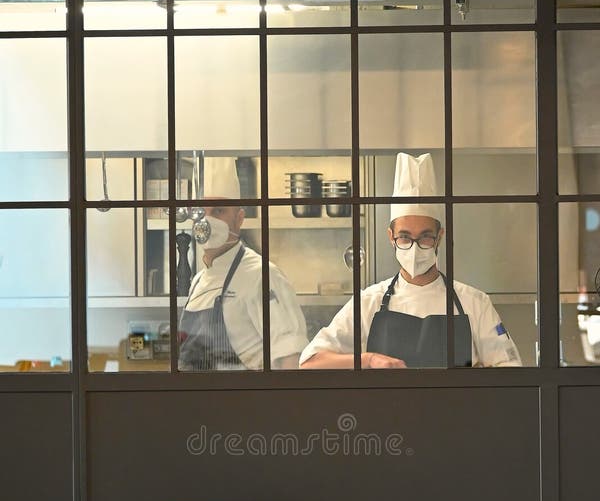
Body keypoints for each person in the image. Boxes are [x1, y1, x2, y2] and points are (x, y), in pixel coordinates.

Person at [299, 152, 522, 369]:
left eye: (425, 237)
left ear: (439, 237)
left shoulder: (474, 303)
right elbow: (311, 361)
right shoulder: (368, 302)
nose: (415, 248)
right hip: (386, 408)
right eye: (405, 237)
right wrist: (369, 359)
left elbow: (510, 369)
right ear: (391, 237)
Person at [178, 158, 307, 370]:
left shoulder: (262, 276)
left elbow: (290, 360)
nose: (207, 221)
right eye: (201, 212)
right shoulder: (199, 280)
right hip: (196, 402)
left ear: (239, 219)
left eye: (219, 211)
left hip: (243, 401)